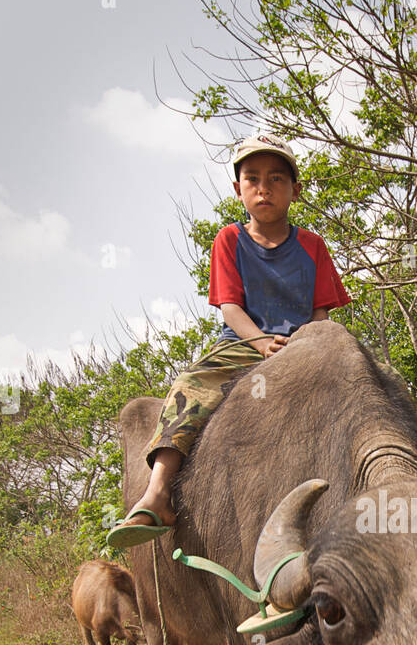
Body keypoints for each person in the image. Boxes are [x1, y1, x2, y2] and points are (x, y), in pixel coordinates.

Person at [106, 134, 350, 547]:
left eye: (276, 178)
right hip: (241, 345)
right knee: (189, 388)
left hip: (304, 345)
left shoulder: (312, 246)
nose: (264, 187)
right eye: (252, 179)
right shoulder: (230, 240)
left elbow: (321, 312)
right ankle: (159, 491)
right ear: (238, 190)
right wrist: (259, 342)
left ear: (296, 190)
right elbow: (230, 309)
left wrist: (317, 347)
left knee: (373, 385)